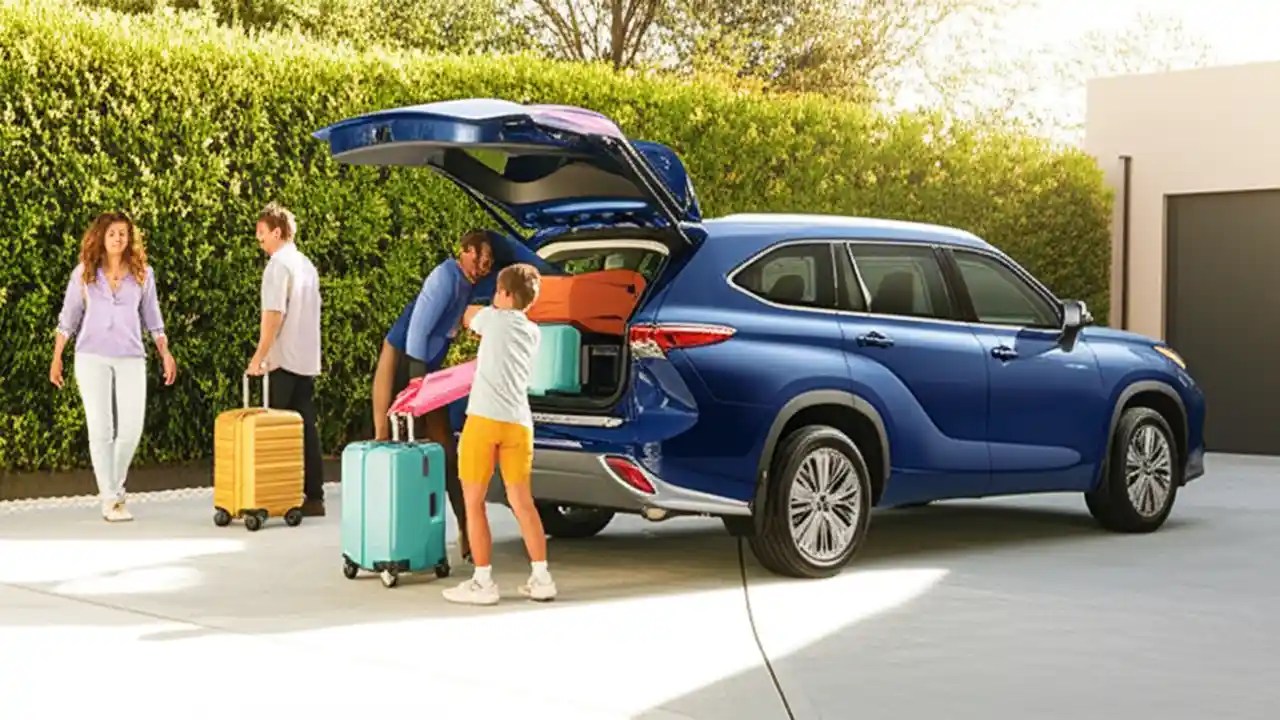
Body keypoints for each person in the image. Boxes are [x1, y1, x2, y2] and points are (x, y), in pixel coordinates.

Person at [370, 230, 494, 561]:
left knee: (447, 454)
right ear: (464, 251)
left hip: (427, 372)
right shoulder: (444, 277)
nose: (482, 269)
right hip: (409, 369)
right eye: (479, 261)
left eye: (487, 264)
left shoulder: (471, 282)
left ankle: (466, 528)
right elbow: (417, 331)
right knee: (406, 457)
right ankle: (395, 538)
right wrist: (416, 384)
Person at [50, 212, 178, 522]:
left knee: (131, 430)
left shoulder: (143, 274)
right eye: (112, 233)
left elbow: (154, 321)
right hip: (90, 358)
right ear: (101, 237)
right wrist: (57, 358)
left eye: (123, 233)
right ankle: (111, 498)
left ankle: (113, 487)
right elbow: (68, 321)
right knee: (101, 430)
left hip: (131, 357)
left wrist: (166, 353)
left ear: (129, 238)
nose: (118, 238)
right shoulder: (84, 274)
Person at [442, 263, 556, 606]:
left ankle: (483, 582)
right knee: (523, 502)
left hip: (484, 420)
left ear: (505, 295)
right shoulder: (534, 333)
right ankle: (541, 578)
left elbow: (467, 316)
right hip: (518, 423)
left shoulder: (492, 318)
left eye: (496, 292)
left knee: (473, 502)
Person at [246, 202, 325, 516]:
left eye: (262, 234)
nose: (260, 241)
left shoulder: (277, 266)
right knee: (306, 427)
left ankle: (276, 495)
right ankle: (314, 496)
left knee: (277, 432)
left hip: (283, 360)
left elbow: (273, 315)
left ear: (277, 232)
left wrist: (259, 357)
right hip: (305, 359)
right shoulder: (305, 264)